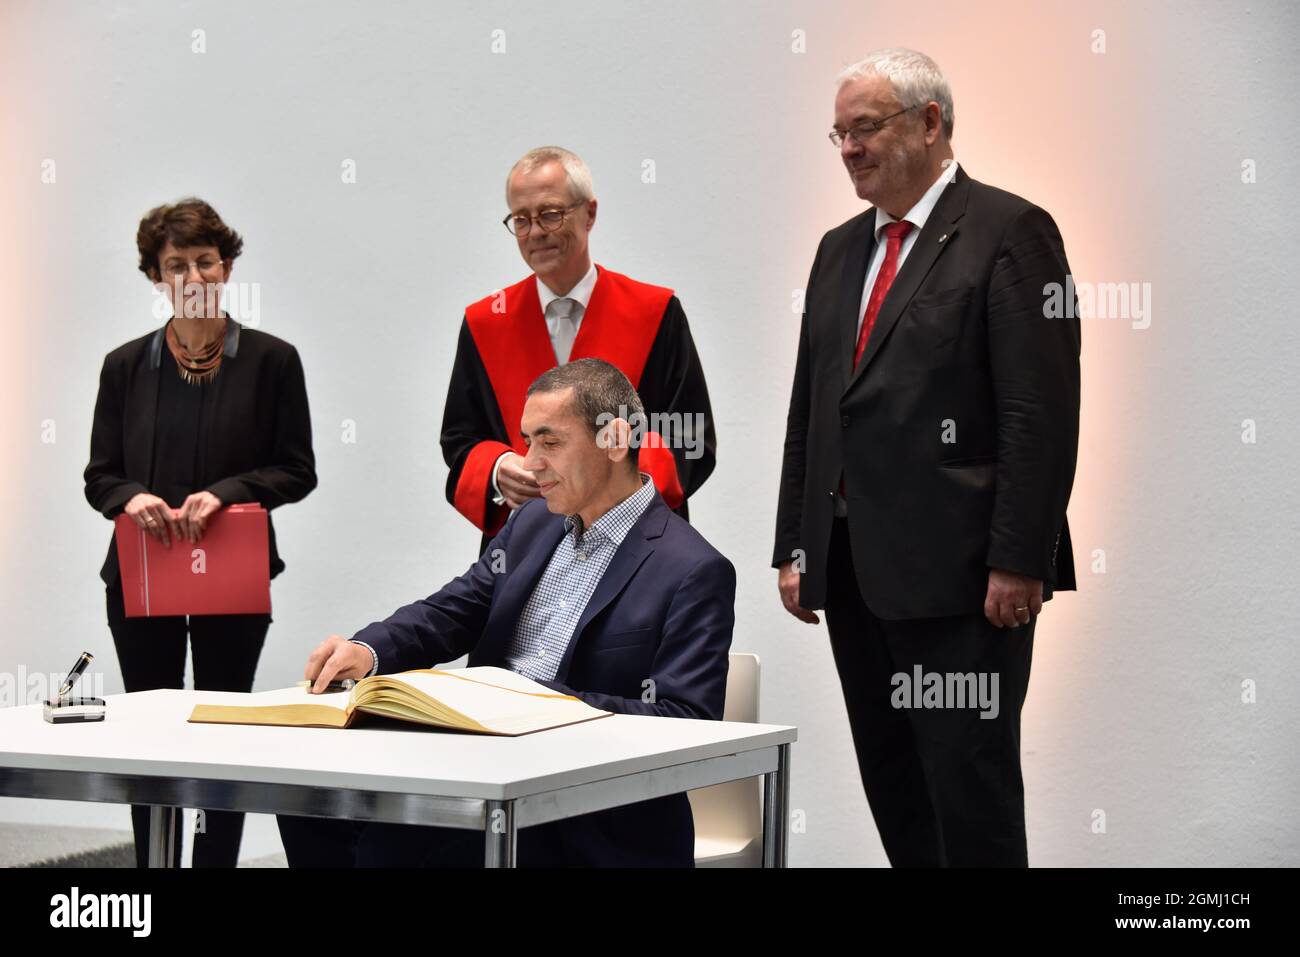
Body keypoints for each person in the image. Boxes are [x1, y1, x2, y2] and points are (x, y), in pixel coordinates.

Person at [772, 49, 1081, 866]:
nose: (849, 148)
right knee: (896, 787)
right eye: (838, 133)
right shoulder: (839, 249)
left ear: (931, 122)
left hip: (964, 581)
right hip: (852, 570)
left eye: (865, 127)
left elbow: (1038, 416)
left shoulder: (1010, 232)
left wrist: (1021, 558)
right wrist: (795, 544)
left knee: (968, 792)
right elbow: (813, 407)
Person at [278, 359, 734, 866]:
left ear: (616, 440)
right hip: (480, 769)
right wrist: (366, 650)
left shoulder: (694, 569)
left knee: (397, 844)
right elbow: (452, 610)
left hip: (583, 807)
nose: (528, 462)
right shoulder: (532, 523)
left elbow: (686, 719)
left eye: (550, 442)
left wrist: (534, 704)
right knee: (309, 803)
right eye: (526, 440)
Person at [84, 197, 317, 867]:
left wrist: (227, 492)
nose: (193, 276)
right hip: (140, 572)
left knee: (224, 733)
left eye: (206, 262)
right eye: (176, 264)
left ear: (229, 266)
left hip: (234, 572)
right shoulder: (124, 365)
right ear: (155, 277)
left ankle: (215, 866)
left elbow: (296, 471)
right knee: (150, 736)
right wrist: (131, 499)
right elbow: (100, 476)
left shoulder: (273, 360)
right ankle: (153, 867)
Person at [441, 146, 717, 551]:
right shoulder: (486, 322)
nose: (536, 232)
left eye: (551, 213)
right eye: (521, 219)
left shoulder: (654, 312)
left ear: (589, 213)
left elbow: (690, 433)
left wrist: (610, 485)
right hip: (523, 549)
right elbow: (460, 437)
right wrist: (499, 470)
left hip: (634, 549)